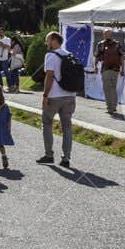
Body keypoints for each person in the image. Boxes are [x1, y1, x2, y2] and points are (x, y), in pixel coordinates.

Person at [39, 31, 75, 169]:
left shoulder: (50, 55)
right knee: (67, 127)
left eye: (47, 40)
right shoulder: (69, 54)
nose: (46, 43)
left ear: (54, 40)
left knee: (47, 122)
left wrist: (45, 95)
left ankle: (49, 155)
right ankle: (66, 158)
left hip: (54, 96)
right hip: (70, 95)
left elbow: (49, 76)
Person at [96, 31, 125, 116]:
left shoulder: (100, 44)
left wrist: (95, 67)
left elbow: (97, 56)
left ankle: (110, 108)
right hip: (116, 69)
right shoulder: (117, 44)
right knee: (113, 88)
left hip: (106, 69)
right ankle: (114, 106)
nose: (106, 35)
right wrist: (122, 69)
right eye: (106, 34)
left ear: (105, 35)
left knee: (107, 89)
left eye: (106, 34)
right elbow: (122, 57)